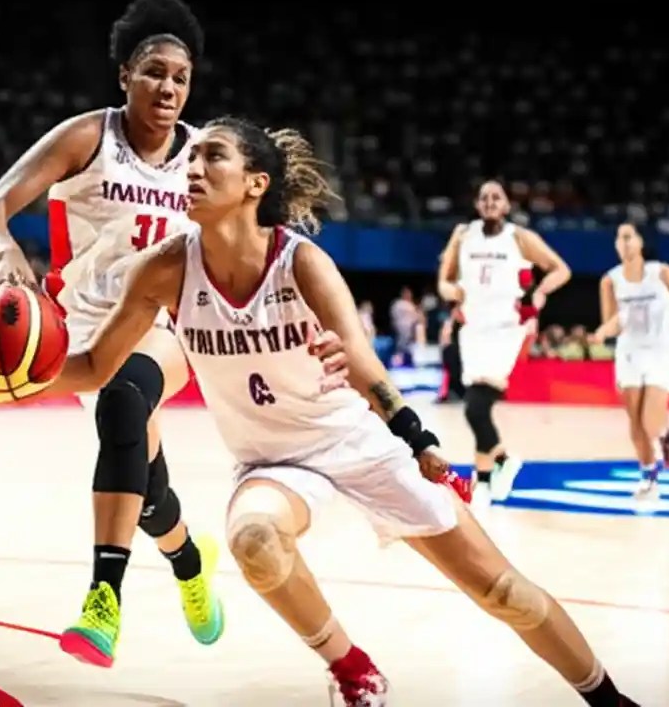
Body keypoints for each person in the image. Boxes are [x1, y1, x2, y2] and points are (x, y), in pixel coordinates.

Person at [48, 118, 638, 706]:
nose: (192, 168)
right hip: (274, 463)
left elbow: (362, 361)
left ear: (255, 183)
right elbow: (97, 364)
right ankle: (354, 669)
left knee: (507, 594)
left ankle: (612, 701)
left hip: (357, 442)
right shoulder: (165, 267)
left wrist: (418, 438)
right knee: (253, 540)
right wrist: (18, 381)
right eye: (191, 157)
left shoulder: (299, 262)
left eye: (212, 157)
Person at [0, 0, 222, 667]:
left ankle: (102, 603)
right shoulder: (88, 137)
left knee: (124, 400)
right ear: (125, 78)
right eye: (155, 73)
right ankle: (191, 563)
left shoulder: (205, 155)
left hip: (166, 327)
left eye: (180, 77)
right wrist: (5, 252)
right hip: (79, 331)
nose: (168, 87)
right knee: (148, 491)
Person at [436, 180, 572, 505]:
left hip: (506, 327)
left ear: (507, 205)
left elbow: (560, 270)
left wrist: (539, 293)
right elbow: (444, 280)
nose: (490, 202)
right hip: (473, 327)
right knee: (478, 408)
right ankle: (483, 482)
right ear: (477, 204)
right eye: (484, 197)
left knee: (475, 407)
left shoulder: (520, 238)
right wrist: (452, 292)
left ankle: (503, 460)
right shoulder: (463, 235)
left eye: (496, 197)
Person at [589, 223, 669, 498]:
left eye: (630, 236)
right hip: (630, 349)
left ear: (641, 242)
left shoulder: (661, 272)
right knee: (634, 421)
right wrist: (601, 333)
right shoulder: (610, 280)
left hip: (662, 348)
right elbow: (613, 322)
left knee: (650, 421)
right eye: (620, 238)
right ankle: (649, 475)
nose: (625, 242)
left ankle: (664, 435)